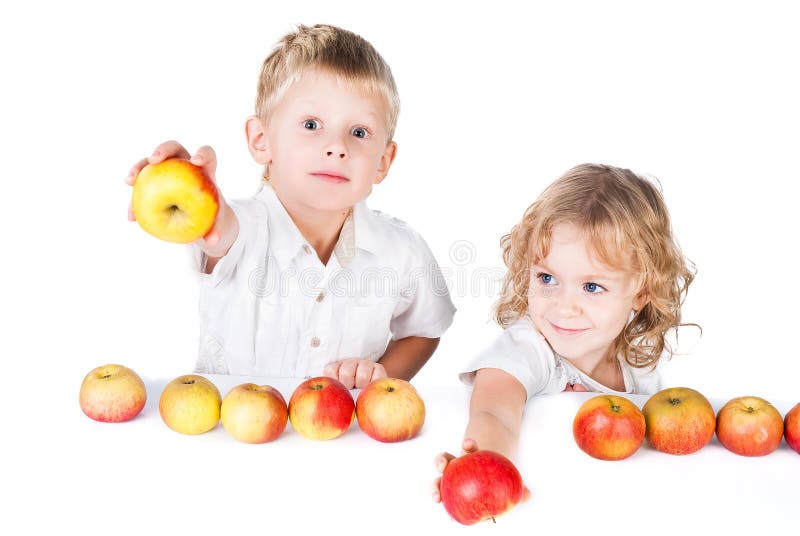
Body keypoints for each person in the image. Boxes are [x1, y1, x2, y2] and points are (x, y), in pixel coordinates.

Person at [125, 24, 456, 388]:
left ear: (383, 161)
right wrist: (198, 200)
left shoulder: (401, 250)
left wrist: (381, 380)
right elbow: (220, 235)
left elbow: (424, 329)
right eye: (312, 124)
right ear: (261, 140)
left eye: (359, 132)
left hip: (346, 443)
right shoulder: (239, 228)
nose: (337, 147)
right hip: (228, 439)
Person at [432, 163, 696, 503]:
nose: (564, 307)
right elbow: (495, 411)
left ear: (642, 292)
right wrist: (487, 465)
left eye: (591, 286)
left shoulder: (639, 369)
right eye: (547, 278)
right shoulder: (531, 347)